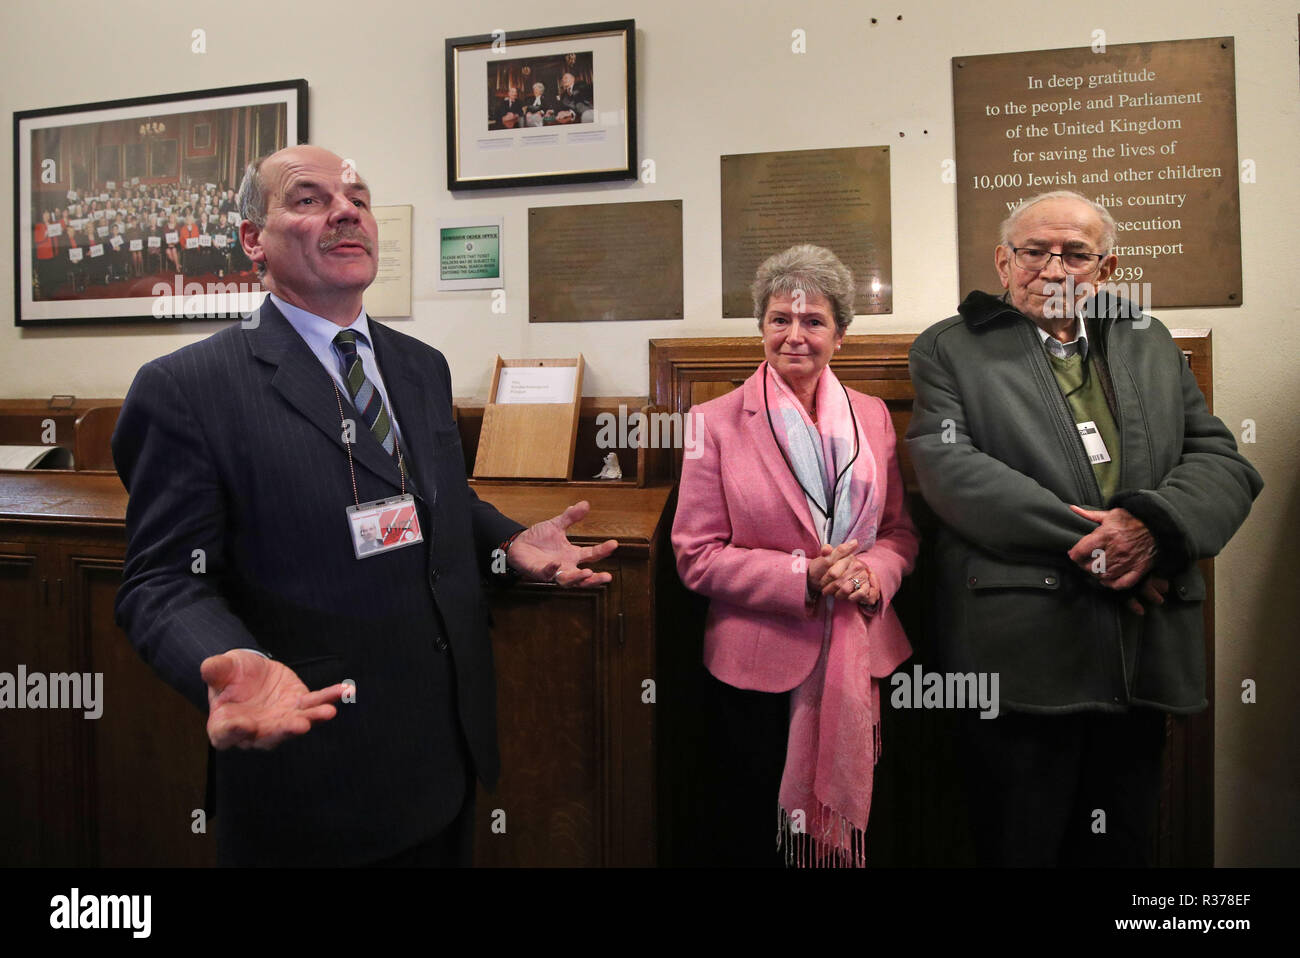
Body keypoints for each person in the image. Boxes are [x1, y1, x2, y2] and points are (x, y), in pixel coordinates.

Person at [112, 144, 618, 867]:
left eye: (357, 196)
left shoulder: (418, 366)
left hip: (444, 758)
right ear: (253, 239)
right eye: (309, 198)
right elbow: (161, 580)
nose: (345, 209)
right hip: (313, 777)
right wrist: (229, 660)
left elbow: (432, 500)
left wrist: (508, 544)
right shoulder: (189, 388)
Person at [906, 190, 1262, 867]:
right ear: (1003, 262)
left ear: (1107, 268)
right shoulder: (950, 349)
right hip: (1023, 652)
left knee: (1122, 846)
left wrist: (1152, 530)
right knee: (1020, 845)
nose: (1054, 267)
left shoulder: (1149, 341)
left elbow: (1220, 460)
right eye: (1035, 251)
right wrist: (1105, 551)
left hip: (1140, 650)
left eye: (1075, 253)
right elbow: (949, 468)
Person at [671, 244, 919, 866]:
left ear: (841, 333)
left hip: (862, 653)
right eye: (780, 318)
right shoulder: (715, 420)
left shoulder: (873, 417)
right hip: (756, 665)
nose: (794, 336)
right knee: (755, 831)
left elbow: (899, 534)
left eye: (813, 321)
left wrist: (870, 573)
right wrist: (801, 575)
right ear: (761, 327)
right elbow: (695, 555)